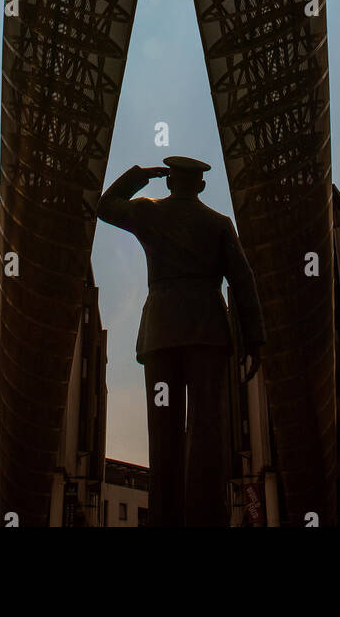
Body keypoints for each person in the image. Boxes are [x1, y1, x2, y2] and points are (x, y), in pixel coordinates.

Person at [96, 155, 265, 527]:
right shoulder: (219, 224)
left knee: (163, 433)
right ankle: (207, 518)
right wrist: (254, 340)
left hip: (161, 334)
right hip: (206, 332)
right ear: (201, 186)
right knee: (208, 432)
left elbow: (104, 206)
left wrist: (140, 176)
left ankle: (165, 519)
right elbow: (243, 282)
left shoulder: (148, 212)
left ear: (169, 182)